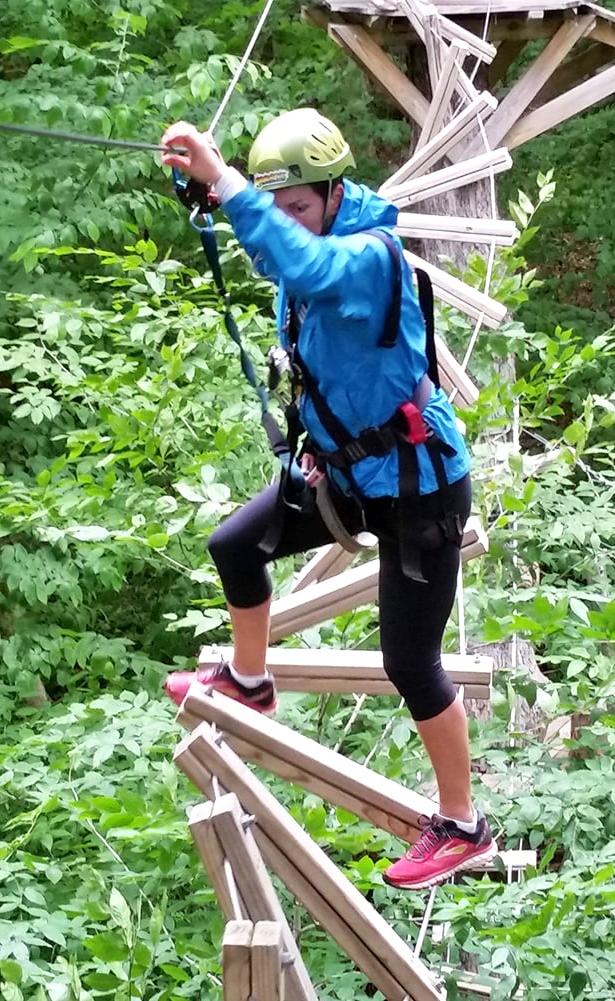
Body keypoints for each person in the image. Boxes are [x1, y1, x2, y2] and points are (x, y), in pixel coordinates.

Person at [160, 108, 498, 890]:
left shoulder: (369, 257)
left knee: (409, 661)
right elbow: (276, 245)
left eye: (300, 205)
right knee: (234, 545)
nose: (287, 220)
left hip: (418, 486)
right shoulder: (305, 234)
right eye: (277, 208)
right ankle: (251, 681)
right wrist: (205, 189)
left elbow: (307, 265)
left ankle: (463, 825)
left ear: (337, 193)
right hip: (347, 473)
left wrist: (230, 184)